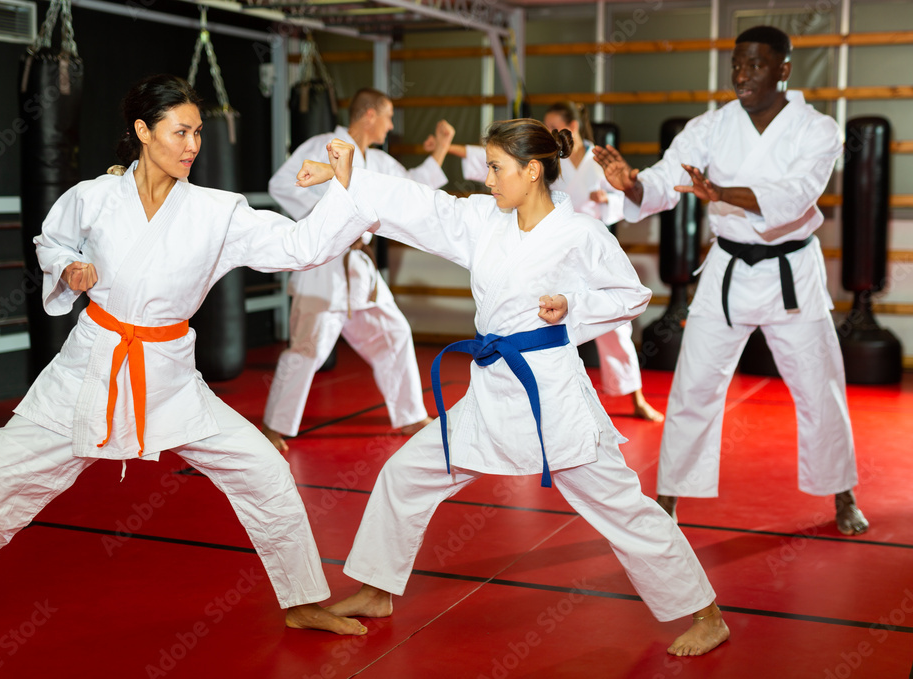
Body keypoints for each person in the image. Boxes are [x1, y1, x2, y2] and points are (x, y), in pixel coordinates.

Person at [0, 74, 374, 642]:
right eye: (180, 131)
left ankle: (303, 600)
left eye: (199, 133)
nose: (192, 145)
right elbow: (50, 240)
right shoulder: (94, 196)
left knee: (265, 472)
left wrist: (344, 188)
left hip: (170, 376)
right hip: (89, 369)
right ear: (142, 131)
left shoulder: (218, 211)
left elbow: (302, 248)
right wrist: (68, 268)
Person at [312, 118, 730, 656]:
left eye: (495, 168)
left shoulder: (579, 232)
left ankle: (707, 613)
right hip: (490, 389)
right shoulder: (485, 219)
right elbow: (423, 208)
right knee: (405, 474)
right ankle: (375, 591)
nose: (487, 179)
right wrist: (353, 181)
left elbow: (631, 294)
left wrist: (573, 306)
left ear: (532, 171)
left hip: (550, 394)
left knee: (621, 506)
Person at [593, 25, 868, 536]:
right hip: (727, 269)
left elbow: (795, 197)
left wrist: (720, 191)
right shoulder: (711, 126)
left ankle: (843, 495)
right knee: (694, 383)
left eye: (756, 65)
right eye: (737, 64)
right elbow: (666, 178)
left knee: (819, 385)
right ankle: (669, 496)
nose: (742, 75)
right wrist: (633, 184)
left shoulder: (818, 129)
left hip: (791, 272)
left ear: (784, 70)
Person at [261, 88, 452, 453]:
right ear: (369, 114)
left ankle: (410, 414)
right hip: (324, 265)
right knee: (307, 349)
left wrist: (442, 145)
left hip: (358, 268)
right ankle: (273, 427)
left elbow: (413, 186)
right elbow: (281, 185)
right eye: (388, 116)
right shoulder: (324, 144)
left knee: (394, 332)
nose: (391, 124)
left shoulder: (377, 161)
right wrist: (328, 221)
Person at [447, 103, 664, 422]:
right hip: (549, 253)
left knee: (616, 331)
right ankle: (545, 402)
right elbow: (502, 166)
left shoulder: (595, 161)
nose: (548, 131)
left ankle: (636, 398)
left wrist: (610, 201)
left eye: (553, 125)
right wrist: (447, 147)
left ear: (572, 127)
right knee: (543, 323)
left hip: (586, 250)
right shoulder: (548, 164)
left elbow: (627, 196)